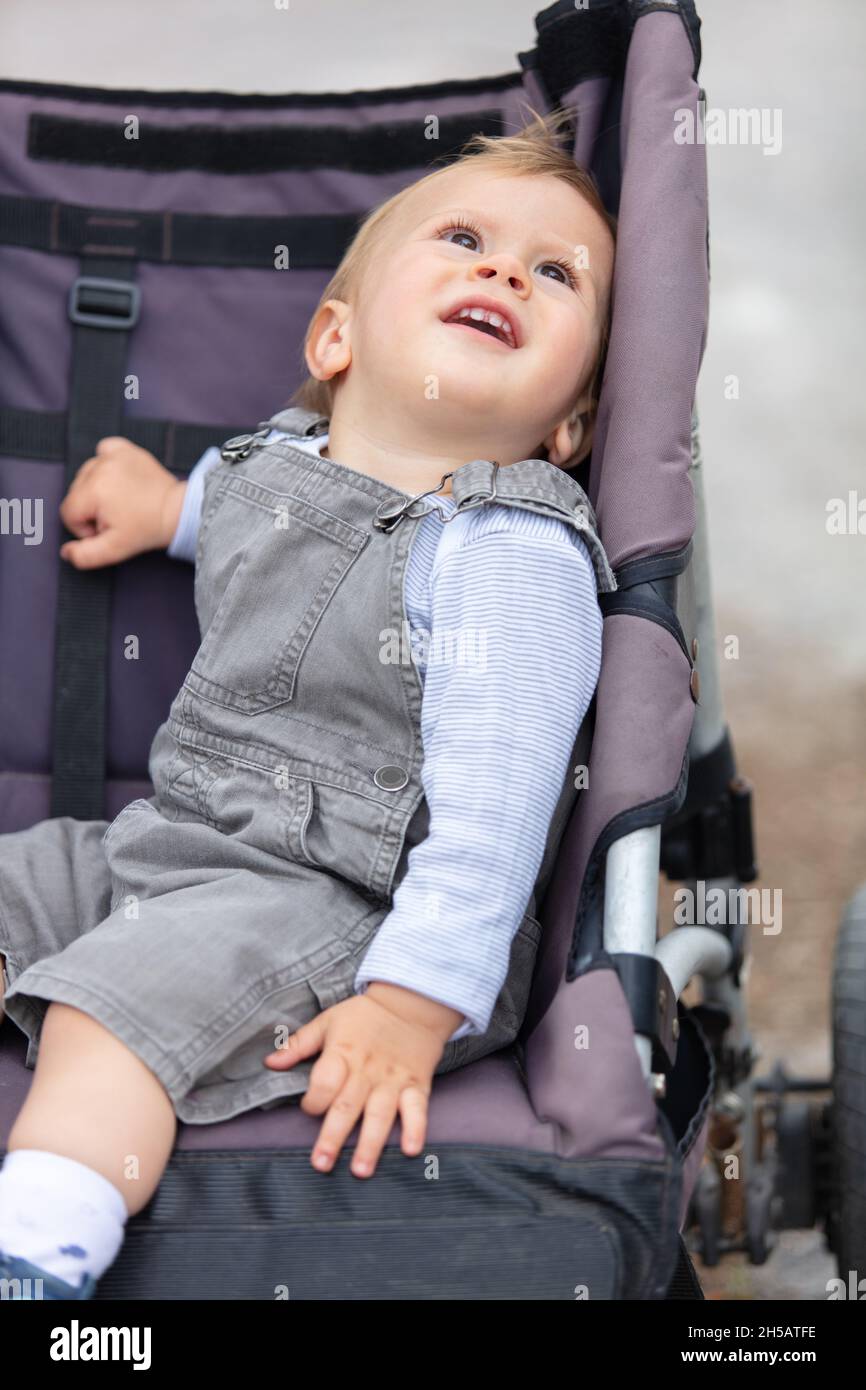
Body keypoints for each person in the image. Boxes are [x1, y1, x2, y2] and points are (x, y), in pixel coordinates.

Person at [0, 107, 617, 1299]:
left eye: (554, 273)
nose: (502, 270)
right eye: (462, 237)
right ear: (334, 337)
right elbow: (239, 523)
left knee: (112, 1009)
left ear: (569, 424)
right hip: (168, 849)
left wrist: (411, 998)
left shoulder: (505, 544)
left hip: (341, 904)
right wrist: (161, 509)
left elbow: (497, 803)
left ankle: (38, 1253)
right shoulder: (275, 462)